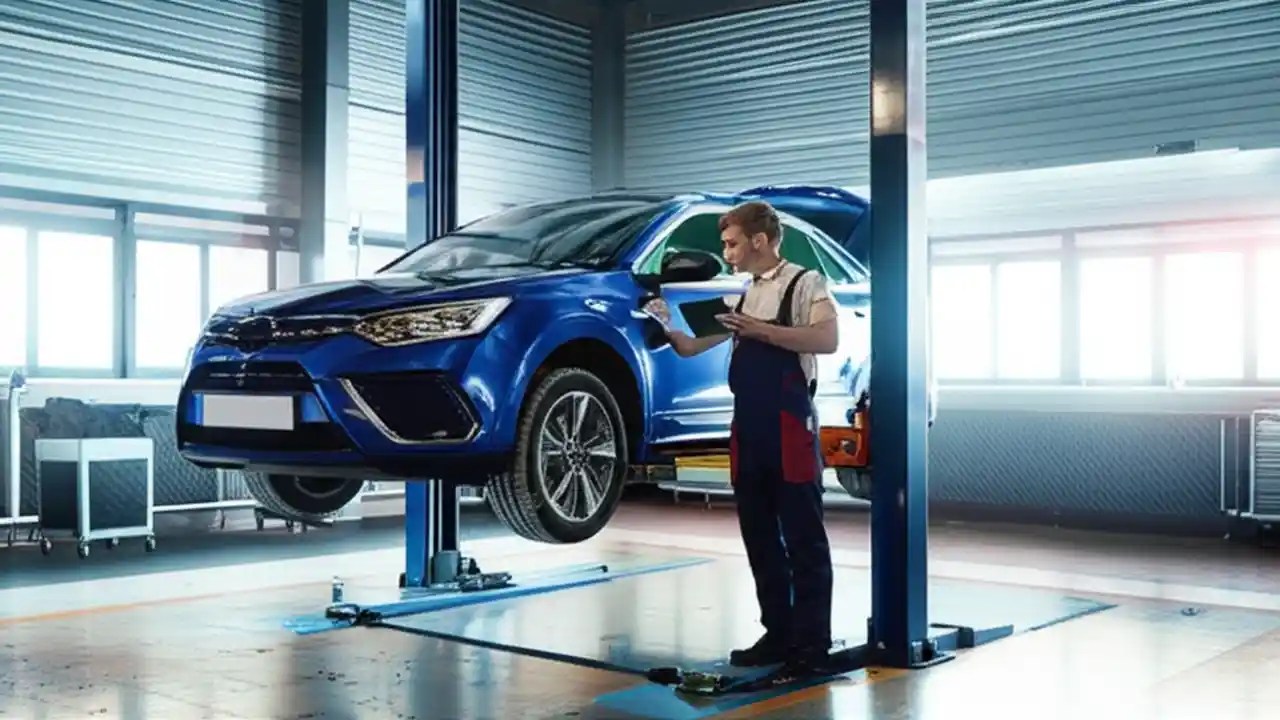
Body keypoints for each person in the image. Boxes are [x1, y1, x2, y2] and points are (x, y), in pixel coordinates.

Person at [647, 200, 838, 675]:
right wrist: (664, 323)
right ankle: (778, 634)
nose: (726, 252)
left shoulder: (805, 283)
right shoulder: (740, 296)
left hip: (789, 426)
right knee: (759, 536)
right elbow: (692, 347)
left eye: (731, 243)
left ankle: (813, 645)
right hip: (748, 429)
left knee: (803, 539)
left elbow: (827, 340)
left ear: (759, 240)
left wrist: (763, 332)